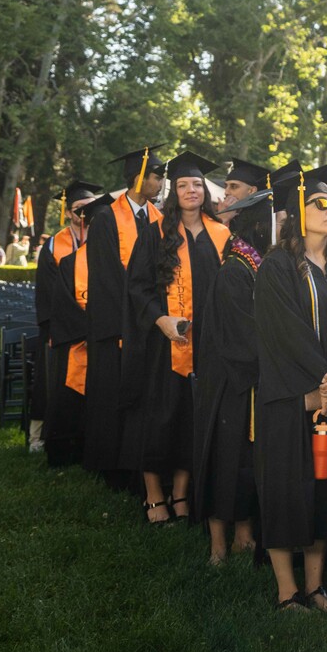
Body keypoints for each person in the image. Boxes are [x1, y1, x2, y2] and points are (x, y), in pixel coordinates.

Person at [254, 164, 327, 610]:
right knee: (285, 488)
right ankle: (286, 589)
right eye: (320, 203)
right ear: (297, 211)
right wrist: (325, 383)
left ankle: (315, 586)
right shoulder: (277, 267)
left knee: (324, 489)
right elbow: (284, 332)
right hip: (291, 395)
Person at [124, 152, 226, 525]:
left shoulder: (220, 235)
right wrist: (160, 319)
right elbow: (136, 287)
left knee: (192, 419)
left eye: (196, 184)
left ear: (205, 190)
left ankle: (181, 494)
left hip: (207, 346)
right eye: (183, 185)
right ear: (173, 191)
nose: (190, 190)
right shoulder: (155, 234)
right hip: (164, 346)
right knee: (160, 418)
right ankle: (154, 497)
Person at [82, 149, 167, 484]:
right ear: (139, 177)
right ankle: (110, 467)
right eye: (157, 176)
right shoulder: (106, 218)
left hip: (147, 323)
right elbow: (104, 277)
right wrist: (126, 323)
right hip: (115, 323)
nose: (161, 182)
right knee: (111, 394)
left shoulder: (160, 220)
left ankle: (138, 464)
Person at [200, 187, 273, 566]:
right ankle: (217, 544)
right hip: (230, 385)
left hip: (247, 383)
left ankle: (244, 534)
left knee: (245, 460)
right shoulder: (234, 272)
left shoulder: (254, 265)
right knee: (225, 460)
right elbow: (243, 337)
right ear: (259, 227)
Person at [38, 181, 107, 468]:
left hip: (100, 333)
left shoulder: (108, 242)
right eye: (78, 209)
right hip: (68, 333)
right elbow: (48, 293)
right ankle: (63, 448)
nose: (83, 214)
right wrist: (59, 329)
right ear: (68, 213)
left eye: (88, 208)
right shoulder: (56, 244)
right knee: (66, 389)